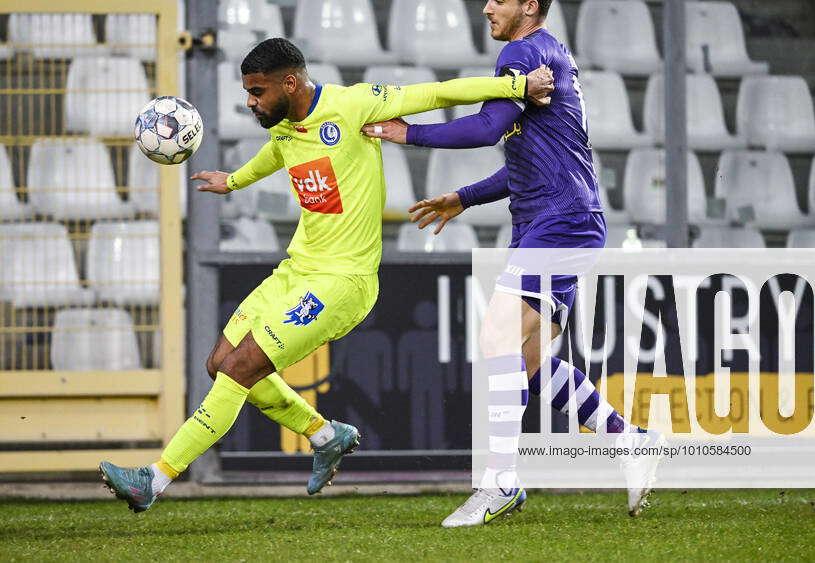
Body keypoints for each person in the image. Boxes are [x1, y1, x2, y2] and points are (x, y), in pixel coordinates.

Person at [99, 37, 556, 513]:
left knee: (240, 369)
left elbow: (438, 93)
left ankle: (154, 479)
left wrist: (518, 84)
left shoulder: (354, 105)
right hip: (297, 269)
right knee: (220, 362)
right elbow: (277, 154)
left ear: (290, 82)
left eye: (257, 92)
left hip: (344, 282)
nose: (250, 102)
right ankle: (324, 434)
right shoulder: (284, 126)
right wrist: (232, 180)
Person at [363, 0, 666, 527]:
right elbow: (526, 161)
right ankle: (631, 442)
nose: (486, 8)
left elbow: (484, 129)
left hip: (559, 219)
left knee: (496, 333)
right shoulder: (545, 54)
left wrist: (403, 131)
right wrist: (466, 197)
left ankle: (499, 481)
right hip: (556, 217)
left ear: (528, 6)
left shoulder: (523, 56)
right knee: (527, 360)